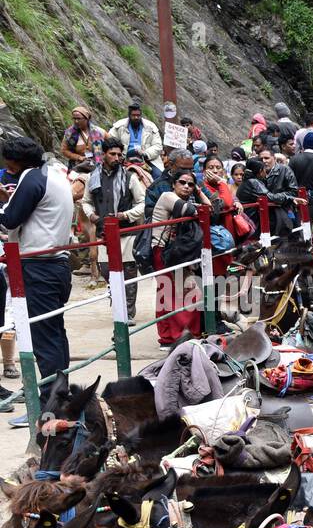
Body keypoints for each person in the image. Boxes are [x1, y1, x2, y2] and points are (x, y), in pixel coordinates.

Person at [0, 137, 75, 387]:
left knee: (45, 339)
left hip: (39, 267)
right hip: (58, 264)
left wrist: (4, 203)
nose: (7, 167)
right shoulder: (52, 174)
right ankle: (62, 396)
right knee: (55, 333)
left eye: (9, 163)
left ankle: (50, 404)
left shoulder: (31, 178)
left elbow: (10, 220)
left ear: (17, 162)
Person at [81, 136, 146, 320]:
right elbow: (86, 202)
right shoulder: (93, 177)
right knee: (106, 270)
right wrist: (92, 215)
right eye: (112, 154)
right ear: (104, 155)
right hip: (104, 234)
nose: (116, 158)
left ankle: (128, 314)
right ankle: (118, 304)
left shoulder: (129, 177)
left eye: (119, 154)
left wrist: (126, 215)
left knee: (129, 274)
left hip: (126, 232)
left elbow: (142, 203)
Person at [149, 169, 214, 347]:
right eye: (182, 182)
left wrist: (199, 190)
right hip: (164, 252)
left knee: (169, 293)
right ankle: (181, 337)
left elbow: (211, 209)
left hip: (177, 253)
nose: (186, 187)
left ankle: (170, 337)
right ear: (173, 184)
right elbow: (193, 210)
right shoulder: (167, 197)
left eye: (190, 184)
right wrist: (199, 200)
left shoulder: (185, 197)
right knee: (180, 293)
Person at [236, 157, 301, 239]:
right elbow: (271, 197)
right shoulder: (253, 182)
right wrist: (290, 198)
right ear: (260, 171)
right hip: (253, 221)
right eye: (264, 169)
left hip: (250, 218)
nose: (266, 172)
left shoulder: (250, 181)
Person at [110, 102, 163, 177]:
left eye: (138, 115)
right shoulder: (119, 126)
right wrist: (119, 155)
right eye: (133, 115)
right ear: (129, 115)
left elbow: (158, 146)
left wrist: (145, 154)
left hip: (147, 159)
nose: (136, 118)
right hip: (124, 158)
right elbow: (110, 141)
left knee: (158, 175)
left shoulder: (151, 126)